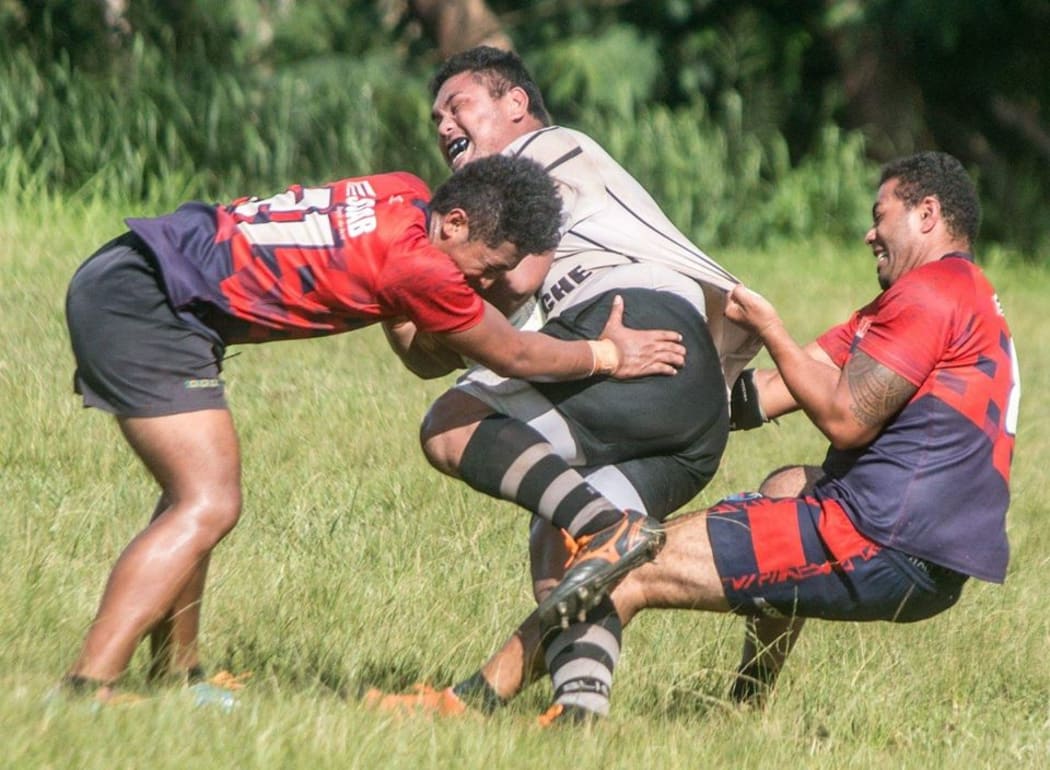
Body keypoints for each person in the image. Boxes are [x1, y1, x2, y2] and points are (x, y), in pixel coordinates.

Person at [382, 150, 1019, 724]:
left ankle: (476, 700)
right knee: (787, 485)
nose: (869, 232)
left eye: (881, 215)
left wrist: (768, 324)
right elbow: (773, 393)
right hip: (929, 551)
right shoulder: (962, 297)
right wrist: (674, 388)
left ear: (928, 213)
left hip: (879, 538)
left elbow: (846, 418)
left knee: (620, 567)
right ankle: (745, 705)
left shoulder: (930, 294)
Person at [60, 154, 687, 703]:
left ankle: (176, 673)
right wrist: (608, 356)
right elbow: (515, 356)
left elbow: (415, 345)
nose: (484, 283)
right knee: (208, 502)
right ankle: (88, 688)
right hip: (146, 303)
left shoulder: (405, 193)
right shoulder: (421, 265)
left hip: (144, 278)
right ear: (457, 223)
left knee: (191, 498)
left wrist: (451, 315)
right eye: (487, 266)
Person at [367, 46, 760, 720]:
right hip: (695, 407)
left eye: (456, 105)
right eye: (434, 116)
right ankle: (579, 712)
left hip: (632, 325)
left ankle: (607, 526)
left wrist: (404, 264)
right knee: (564, 541)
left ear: (515, 103)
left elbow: (506, 290)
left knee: (451, 426)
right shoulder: (505, 216)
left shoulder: (543, 151)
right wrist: (392, 289)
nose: (441, 125)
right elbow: (430, 348)